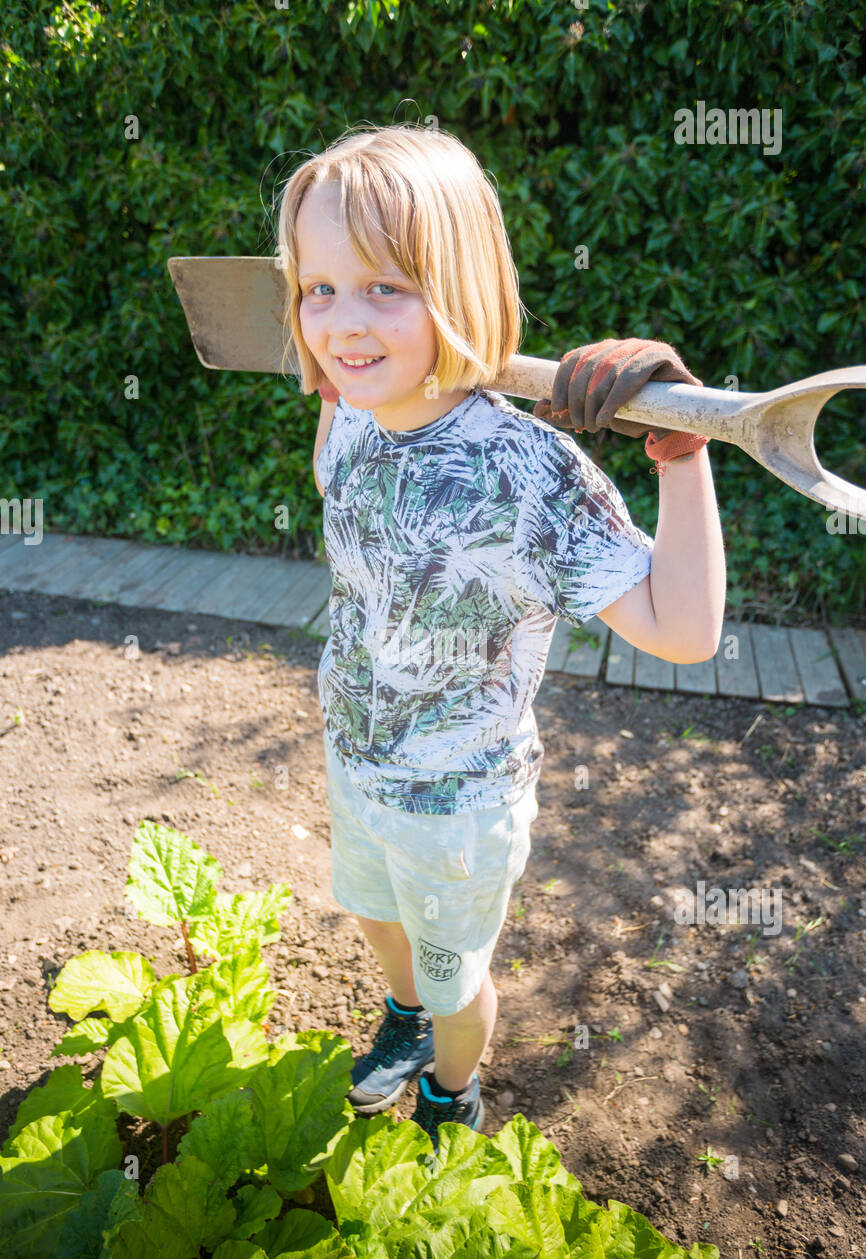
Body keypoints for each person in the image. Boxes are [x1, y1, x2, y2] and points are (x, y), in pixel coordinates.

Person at [276, 122, 726, 1155]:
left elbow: (685, 631)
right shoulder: (349, 416)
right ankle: (403, 1018)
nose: (343, 323)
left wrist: (679, 446)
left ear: (464, 286)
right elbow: (341, 469)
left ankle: (451, 1084)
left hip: (457, 805)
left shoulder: (531, 475)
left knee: (455, 974)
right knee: (376, 922)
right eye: (318, 289)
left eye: (386, 287)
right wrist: (358, 361)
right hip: (355, 756)